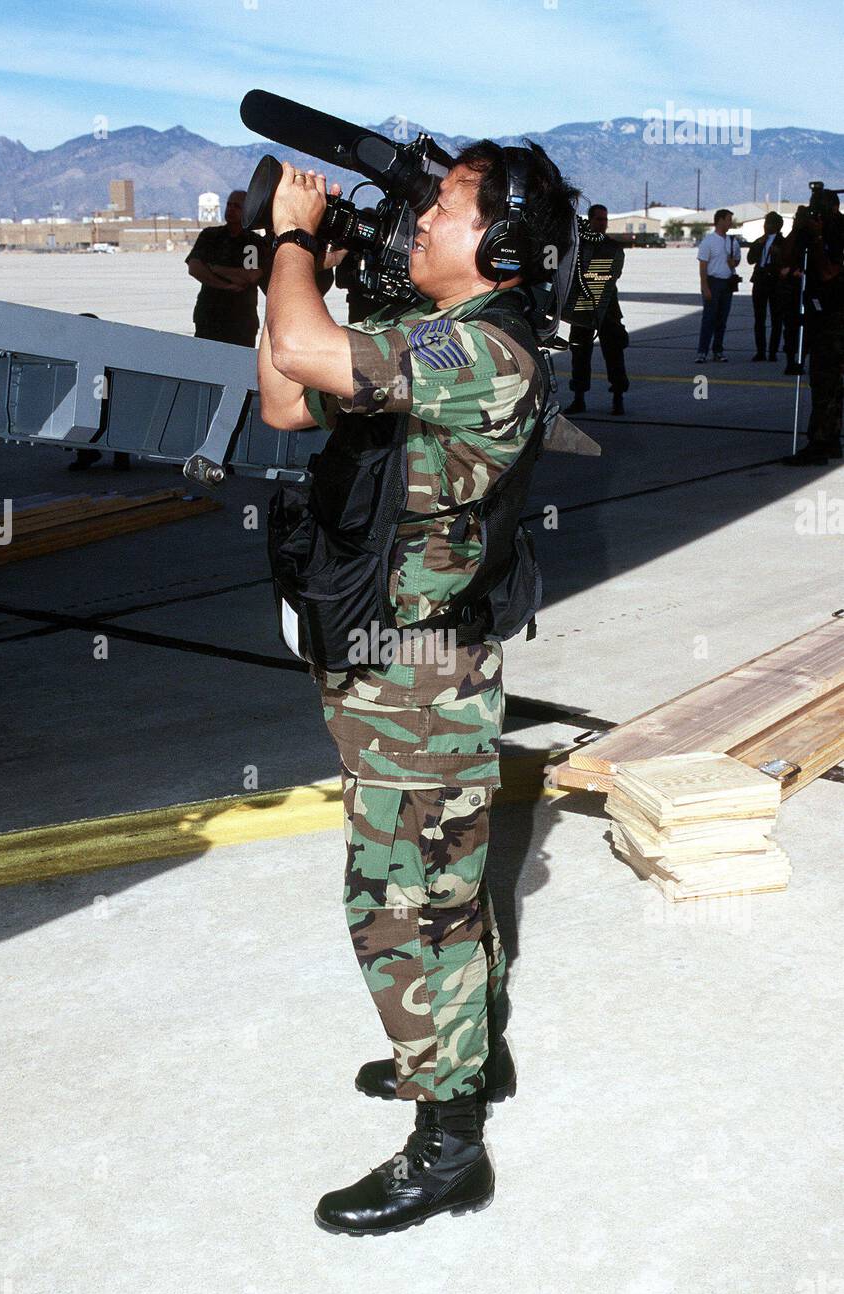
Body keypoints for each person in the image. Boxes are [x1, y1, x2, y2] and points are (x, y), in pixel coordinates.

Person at [258, 142, 578, 1235]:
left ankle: (448, 1151)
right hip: (395, 671)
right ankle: (458, 1058)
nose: (421, 224)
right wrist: (295, 266)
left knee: (404, 904)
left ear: (495, 241)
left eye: (442, 208)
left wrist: (293, 239)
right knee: (437, 887)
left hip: (422, 677)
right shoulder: (431, 345)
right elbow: (288, 398)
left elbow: (303, 346)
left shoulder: (487, 355)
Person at [779, 193, 844, 464]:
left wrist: (817, 239)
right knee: (828, 382)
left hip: (837, 317)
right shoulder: (811, 230)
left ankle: (820, 443)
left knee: (826, 380)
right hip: (820, 315)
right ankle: (829, 440)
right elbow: (785, 260)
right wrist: (798, 228)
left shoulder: (840, 232)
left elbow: (829, 272)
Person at [564, 203, 629, 415]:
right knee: (580, 352)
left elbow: (612, 275)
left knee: (614, 352)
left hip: (608, 307)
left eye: (605, 220)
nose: (602, 224)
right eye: (599, 219)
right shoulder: (578, 245)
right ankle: (579, 397)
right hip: (583, 306)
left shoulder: (612, 247)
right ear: (589, 220)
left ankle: (618, 397)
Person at [185, 191, 270, 347]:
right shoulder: (210, 236)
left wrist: (215, 268)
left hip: (241, 320)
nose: (230, 209)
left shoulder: (253, 243)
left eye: (236, 206)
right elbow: (195, 268)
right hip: (209, 317)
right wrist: (225, 284)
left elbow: (250, 276)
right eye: (229, 205)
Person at [696, 208, 741, 362]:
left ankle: (718, 350)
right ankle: (702, 351)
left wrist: (733, 262)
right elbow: (703, 266)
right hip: (713, 282)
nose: (730, 223)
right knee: (709, 318)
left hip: (727, 283)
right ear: (720, 220)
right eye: (728, 219)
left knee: (722, 320)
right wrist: (705, 287)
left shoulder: (732, 241)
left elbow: (737, 261)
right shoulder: (708, 241)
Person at [747, 211, 785, 361]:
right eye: (765, 223)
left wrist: (778, 253)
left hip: (775, 282)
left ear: (776, 226)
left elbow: (787, 260)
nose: (765, 226)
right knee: (759, 318)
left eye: (769, 223)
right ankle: (760, 351)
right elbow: (750, 259)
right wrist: (758, 245)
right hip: (760, 280)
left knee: (776, 319)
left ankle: (773, 352)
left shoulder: (783, 242)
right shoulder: (759, 241)